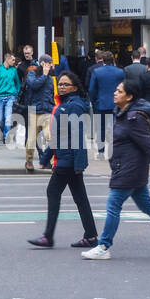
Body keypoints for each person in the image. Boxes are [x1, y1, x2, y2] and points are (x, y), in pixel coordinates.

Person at [81, 77, 150, 261]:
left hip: (129, 170)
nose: (115, 93)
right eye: (116, 90)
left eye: (119, 91)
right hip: (128, 169)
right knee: (148, 206)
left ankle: (104, 246)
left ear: (129, 97)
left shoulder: (134, 118)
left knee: (113, 205)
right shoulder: (124, 114)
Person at [28, 71, 97, 250]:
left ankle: (48, 236)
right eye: (60, 84)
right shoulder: (66, 104)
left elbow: (77, 135)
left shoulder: (73, 106)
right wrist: (45, 157)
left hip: (68, 159)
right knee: (80, 198)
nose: (62, 86)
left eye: (66, 84)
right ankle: (91, 236)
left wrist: (79, 163)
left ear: (74, 87)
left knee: (53, 192)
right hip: (66, 158)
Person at [87, 50, 123, 160]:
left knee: (100, 129)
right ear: (113, 60)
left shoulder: (97, 72)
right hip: (115, 104)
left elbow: (92, 89)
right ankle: (115, 150)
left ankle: (101, 151)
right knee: (115, 128)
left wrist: (94, 101)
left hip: (100, 104)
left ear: (102, 60)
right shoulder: (120, 72)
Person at [24, 55, 57, 172]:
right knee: (32, 138)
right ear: (43, 63)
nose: (52, 66)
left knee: (50, 137)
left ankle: (54, 162)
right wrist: (44, 74)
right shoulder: (32, 73)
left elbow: (51, 93)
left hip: (47, 110)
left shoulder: (50, 77)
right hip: (34, 110)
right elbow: (34, 85)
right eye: (50, 63)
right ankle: (29, 161)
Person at [0, 52, 20, 142]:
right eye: (13, 60)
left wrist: (16, 93)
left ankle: (6, 136)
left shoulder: (13, 70)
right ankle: (7, 133)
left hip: (10, 96)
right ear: (7, 59)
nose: (14, 62)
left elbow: (17, 82)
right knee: (0, 119)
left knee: (8, 117)